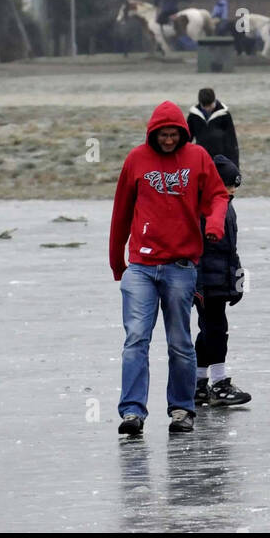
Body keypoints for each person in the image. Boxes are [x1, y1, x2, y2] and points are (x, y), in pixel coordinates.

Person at [109, 102, 228, 435]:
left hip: (180, 267)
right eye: (163, 135)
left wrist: (215, 223)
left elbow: (219, 195)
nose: (168, 140)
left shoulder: (198, 158)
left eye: (174, 134)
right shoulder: (136, 160)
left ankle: (181, 409)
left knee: (179, 342)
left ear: (182, 133)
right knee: (135, 339)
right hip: (142, 268)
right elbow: (121, 212)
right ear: (153, 133)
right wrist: (117, 262)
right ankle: (132, 412)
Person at [194, 154, 251, 407]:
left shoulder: (228, 206)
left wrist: (238, 282)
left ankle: (198, 383)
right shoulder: (202, 207)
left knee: (209, 330)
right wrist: (197, 286)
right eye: (230, 184)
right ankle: (219, 383)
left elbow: (231, 251)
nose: (234, 190)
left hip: (221, 279)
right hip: (205, 282)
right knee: (215, 330)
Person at [187, 87, 239, 167]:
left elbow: (231, 141)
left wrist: (234, 165)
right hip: (202, 157)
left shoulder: (224, 114)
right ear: (200, 103)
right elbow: (187, 137)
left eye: (210, 105)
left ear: (214, 100)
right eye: (204, 106)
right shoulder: (193, 115)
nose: (208, 109)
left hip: (221, 158)